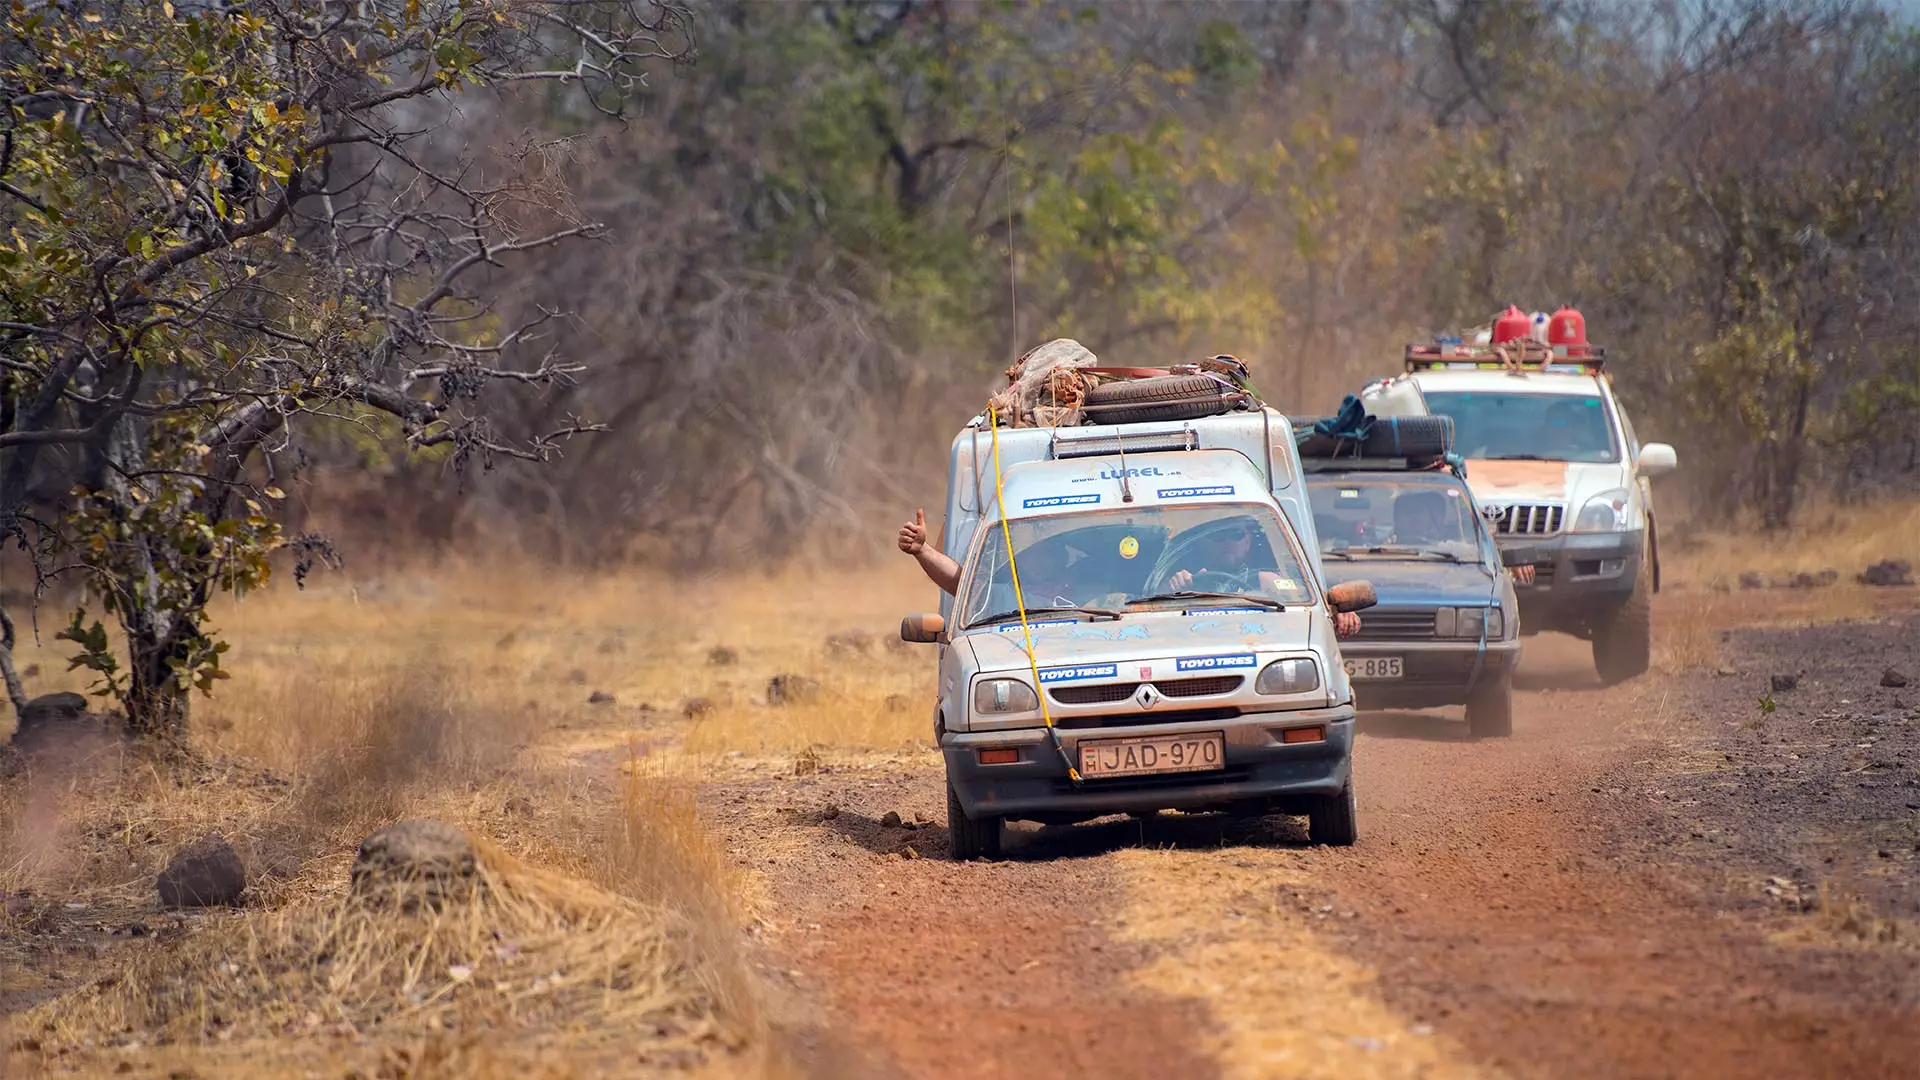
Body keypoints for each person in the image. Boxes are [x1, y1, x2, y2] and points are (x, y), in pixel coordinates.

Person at [1162, 516, 1361, 638]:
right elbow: (1148, 609)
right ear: (1203, 543)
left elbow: (1304, 598)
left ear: (1248, 541)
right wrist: (1175, 589)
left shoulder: (1265, 579)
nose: (1227, 542)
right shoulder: (1182, 581)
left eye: (1236, 535)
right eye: (1218, 536)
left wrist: (1335, 610)